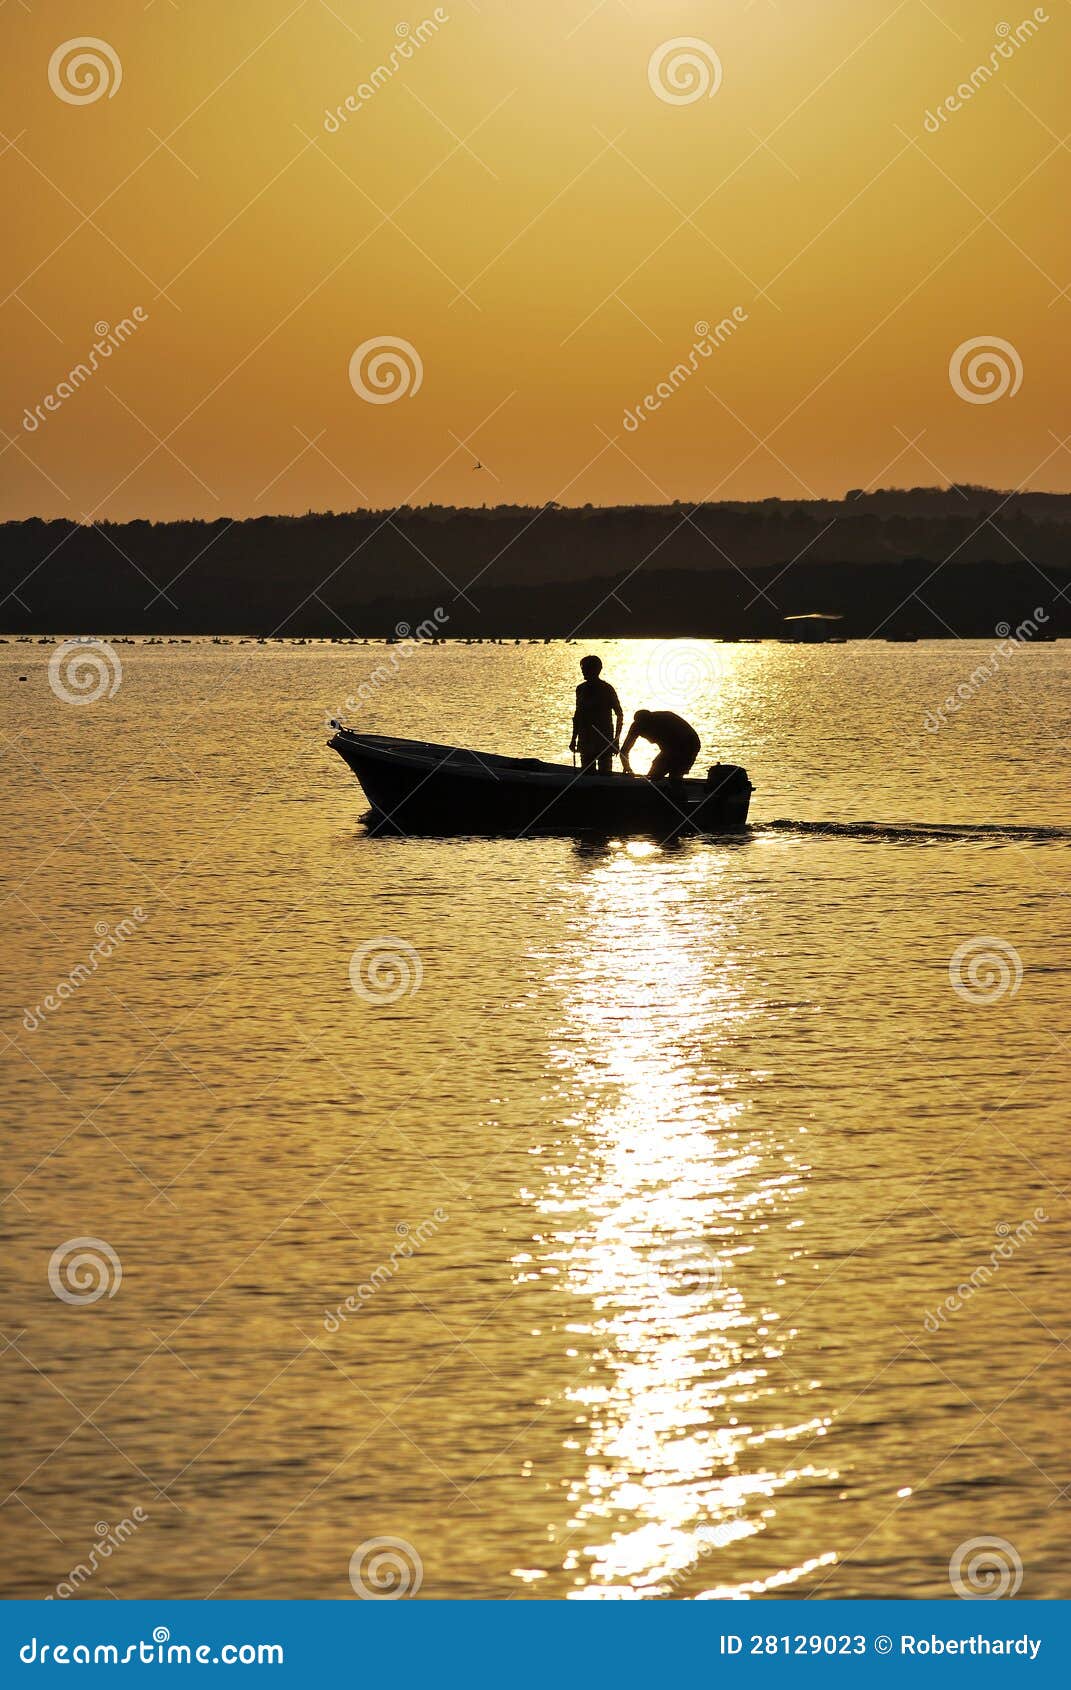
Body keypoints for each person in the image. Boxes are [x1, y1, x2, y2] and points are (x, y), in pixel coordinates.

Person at [570, 655, 623, 775]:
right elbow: (578, 715)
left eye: (585, 668)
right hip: (585, 738)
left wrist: (616, 740)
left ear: (595, 670)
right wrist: (573, 739)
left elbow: (619, 714)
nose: (583, 671)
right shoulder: (580, 689)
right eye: (582, 668)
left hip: (604, 739)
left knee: (605, 774)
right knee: (587, 774)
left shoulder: (607, 689)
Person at [619, 708, 701, 780]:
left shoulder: (664, 722)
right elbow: (624, 750)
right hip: (669, 748)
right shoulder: (636, 727)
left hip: (689, 744)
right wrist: (627, 767)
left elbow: (673, 752)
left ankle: (676, 789)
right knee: (654, 775)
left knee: (675, 775)